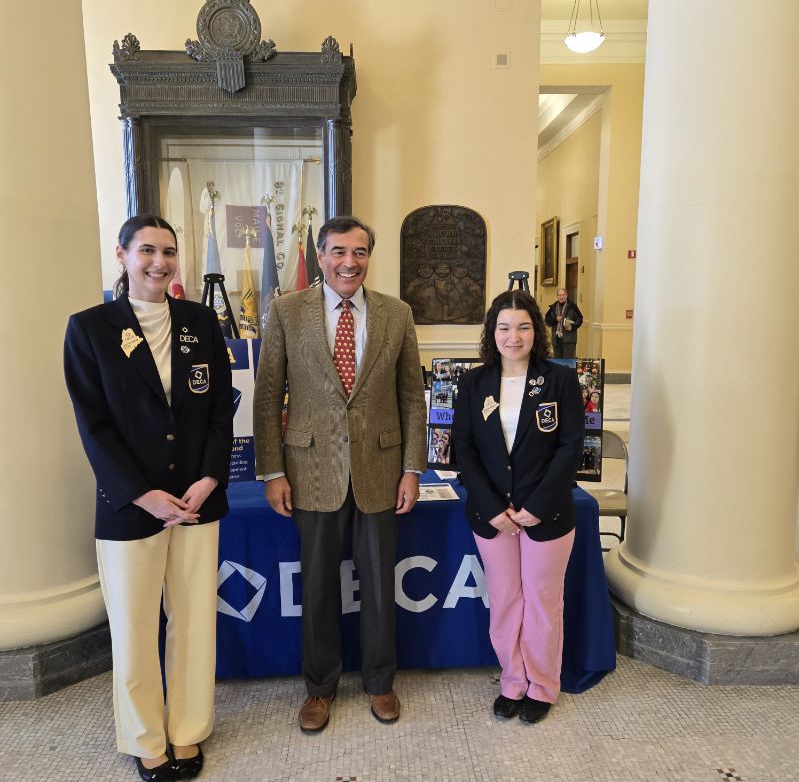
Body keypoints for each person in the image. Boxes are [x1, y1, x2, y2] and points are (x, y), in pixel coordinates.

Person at [64, 215, 233, 782]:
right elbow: (94, 425)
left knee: (192, 622)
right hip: (130, 506)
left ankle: (186, 732)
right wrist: (142, 494)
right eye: (146, 251)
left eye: (168, 251)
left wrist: (210, 477)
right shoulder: (89, 328)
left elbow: (218, 411)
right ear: (122, 254)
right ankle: (145, 739)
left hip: (195, 499)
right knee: (134, 628)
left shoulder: (201, 322)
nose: (159, 262)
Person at [253, 215, 427, 732]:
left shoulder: (397, 314)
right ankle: (320, 689)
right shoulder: (286, 311)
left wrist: (412, 468)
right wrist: (272, 472)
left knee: (378, 586)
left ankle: (380, 683)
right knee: (319, 588)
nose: (348, 262)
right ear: (321, 255)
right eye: (337, 252)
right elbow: (267, 398)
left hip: (381, 468)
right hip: (310, 472)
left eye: (359, 252)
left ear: (369, 256)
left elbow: (412, 399)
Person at [452, 289, 584, 725]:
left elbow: (570, 448)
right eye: (504, 327)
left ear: (536, 330)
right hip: (493, 517)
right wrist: (491, 507)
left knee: (543, 599)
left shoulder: (561, 379)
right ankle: (513, 680)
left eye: (523, 327)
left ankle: (543, 685)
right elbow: (464, 449)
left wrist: (538, 505)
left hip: (547, 514)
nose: (514, 336)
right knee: (506, 598)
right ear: (493, 332)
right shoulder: (473, 382)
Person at [545, 288, 583, 358]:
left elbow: (580, 319)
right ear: (557, 296)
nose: (561, 297)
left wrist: (572, 327)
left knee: (568, 362)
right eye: (559, 295)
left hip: (569, 339)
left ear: (566, 295)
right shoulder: (553, 307)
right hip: (556, 339)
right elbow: (547, 320)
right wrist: (555, 319)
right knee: (558, 362)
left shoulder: (572, 306)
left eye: (563, 295)